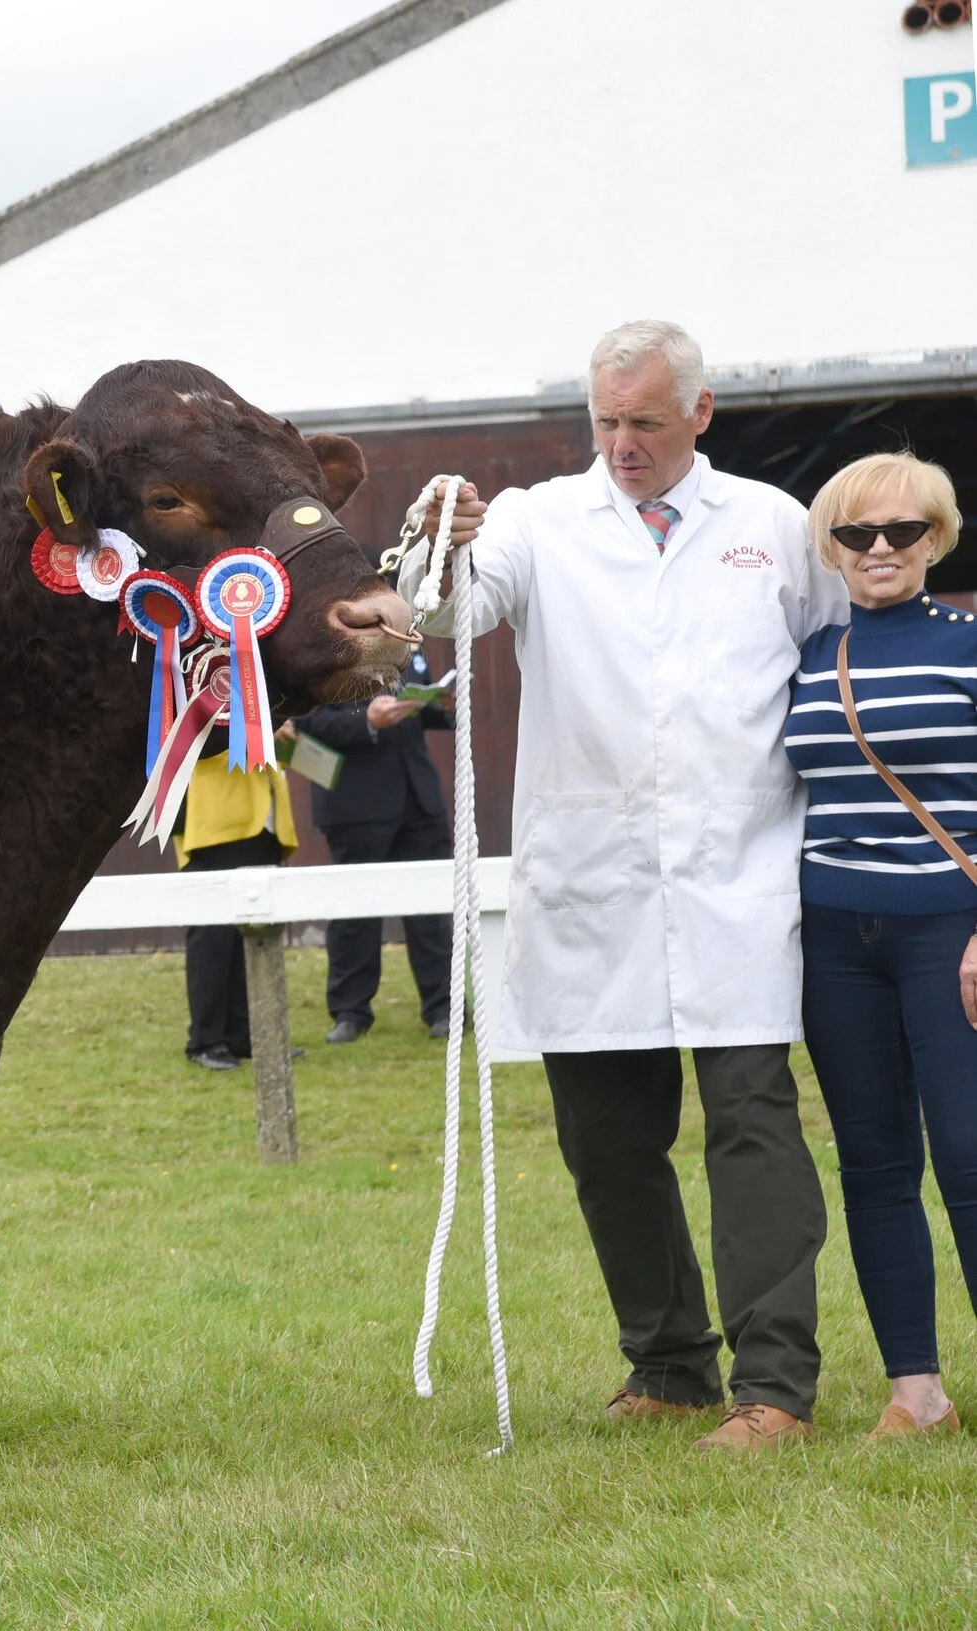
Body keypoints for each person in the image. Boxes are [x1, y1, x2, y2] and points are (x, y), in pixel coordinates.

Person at [409, 319, 848, 1450]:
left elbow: (839, 664)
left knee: (752, 1127)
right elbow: (452, 605)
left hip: (739, 880)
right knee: (605, 1140)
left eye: (644, 422)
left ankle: (773, 1386)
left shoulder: (771, 528)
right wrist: (438, 539)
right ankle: (666, 1360)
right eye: (604, 422)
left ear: (699, 413)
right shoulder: (532, 521)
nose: (621, 445)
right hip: (591, 881)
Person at [784, 453, 973, 1439]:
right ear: (831, 547)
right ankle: (917, 1390)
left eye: (902, 530)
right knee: (872, 1160)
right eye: (857, 534)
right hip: (834, 935)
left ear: (936, 537)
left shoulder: (970, 643)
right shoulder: (809, 652)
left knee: (971, 1151)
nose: (880, 548)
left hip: (950, 928)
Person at [295, 647, 454, 1044]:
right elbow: (308, 720)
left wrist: (442, 704)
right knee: (354, 912)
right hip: (356, 801)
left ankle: (445, 1006)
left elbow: (418, 706)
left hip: (418, 797)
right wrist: (365, 719)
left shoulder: (406, 645)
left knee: (432, 912)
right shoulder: (325, 649)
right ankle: (351, 1011)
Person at [178, 756, 294, 1070]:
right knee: (213, 938)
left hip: (264, 820)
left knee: (253, 936)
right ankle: (206, 1041)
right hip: (217, 818)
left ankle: (247, 1036)